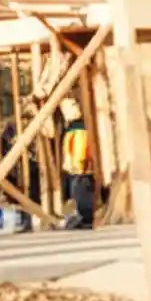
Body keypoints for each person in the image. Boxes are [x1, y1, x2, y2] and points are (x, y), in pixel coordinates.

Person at [59, 98, 95, 230]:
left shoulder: (77, 130)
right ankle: (79, 217)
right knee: (74, 195)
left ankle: (85, 218)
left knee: (79, 194)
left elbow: (79, 150)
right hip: (73, 168)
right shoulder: (72, 130)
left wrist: (79, 165)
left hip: (78, 169)